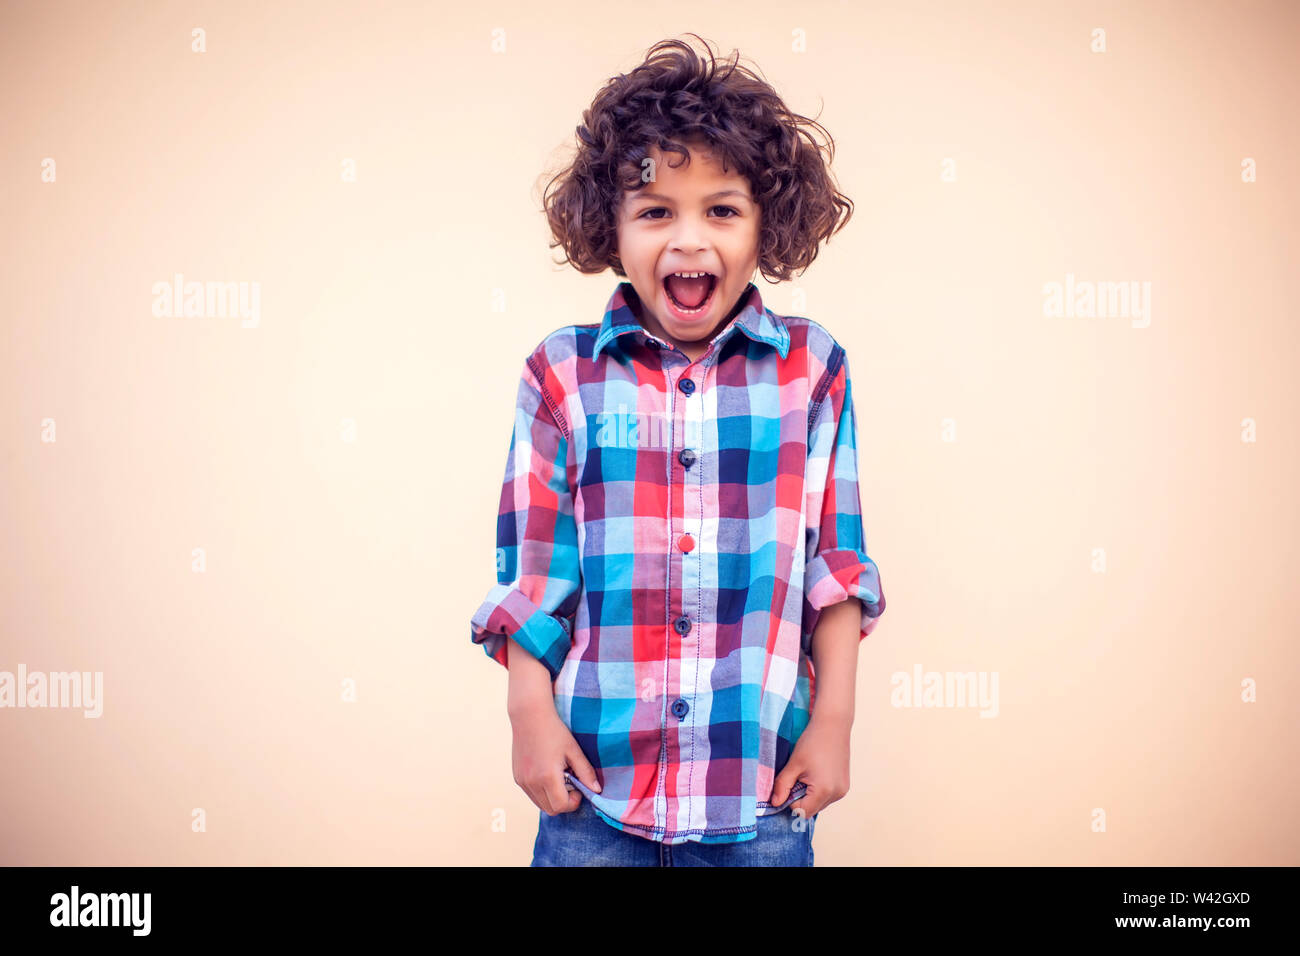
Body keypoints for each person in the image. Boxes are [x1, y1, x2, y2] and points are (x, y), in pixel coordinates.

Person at [470, 35, 886, 866]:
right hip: (594, 797)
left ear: (768, 222)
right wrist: (529, 714)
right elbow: (534, 573)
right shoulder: (563, 374)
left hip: (759, 797)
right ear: (611, 226)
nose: (690, 241)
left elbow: (836, 565)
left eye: (722, 210)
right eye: (656, 211)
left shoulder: (811, 369)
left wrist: (834, 722)